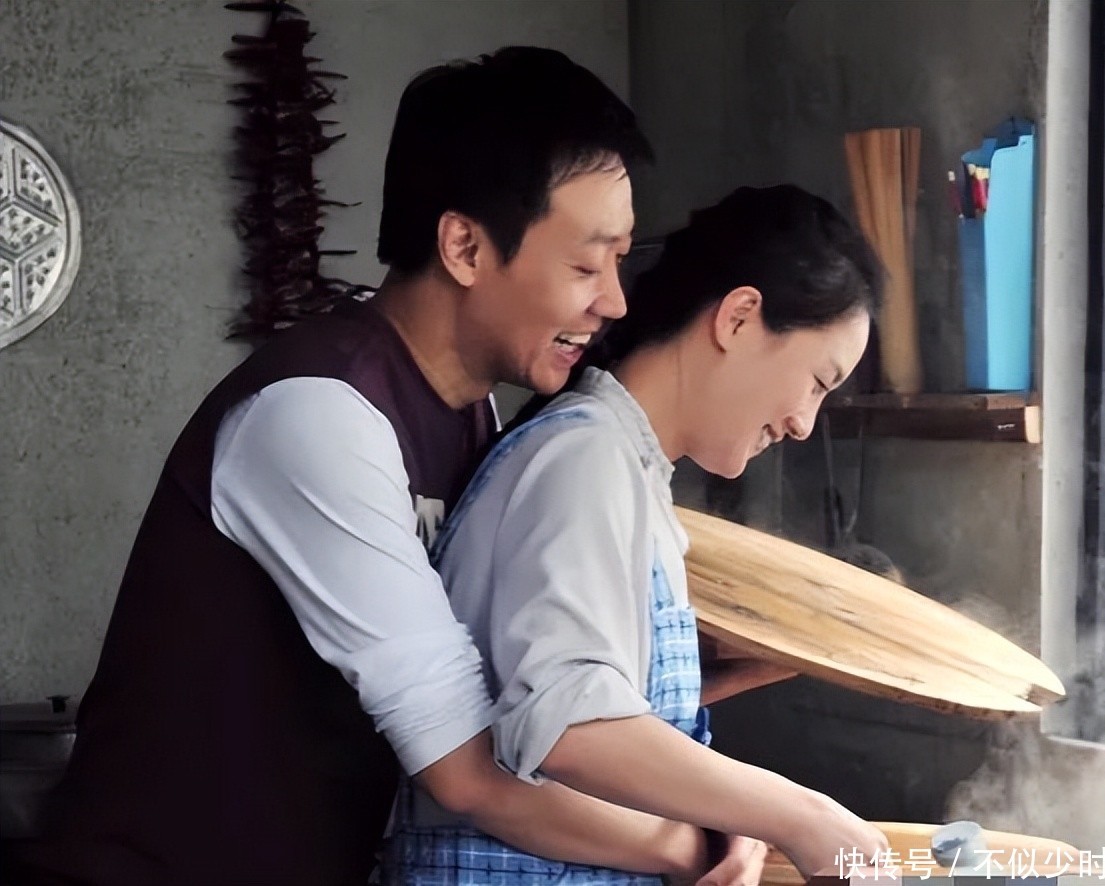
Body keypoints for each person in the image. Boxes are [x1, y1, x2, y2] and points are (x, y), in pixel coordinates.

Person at [13, 48, 763, 886]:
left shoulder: (473, 417)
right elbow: (465, 770)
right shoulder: (318, 415)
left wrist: (727, 686)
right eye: (587, 264)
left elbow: (525, 701)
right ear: (465, 247)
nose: (613, 301)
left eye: (620, 262)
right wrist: (706, 840)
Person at [386, 184, 892, 884]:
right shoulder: (584, 458)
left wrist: (727, 815)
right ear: (740, 318)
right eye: (816, 381)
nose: (804, 423)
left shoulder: (624, 466)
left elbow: (586, 705)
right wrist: (803, 816)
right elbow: (569, 728)